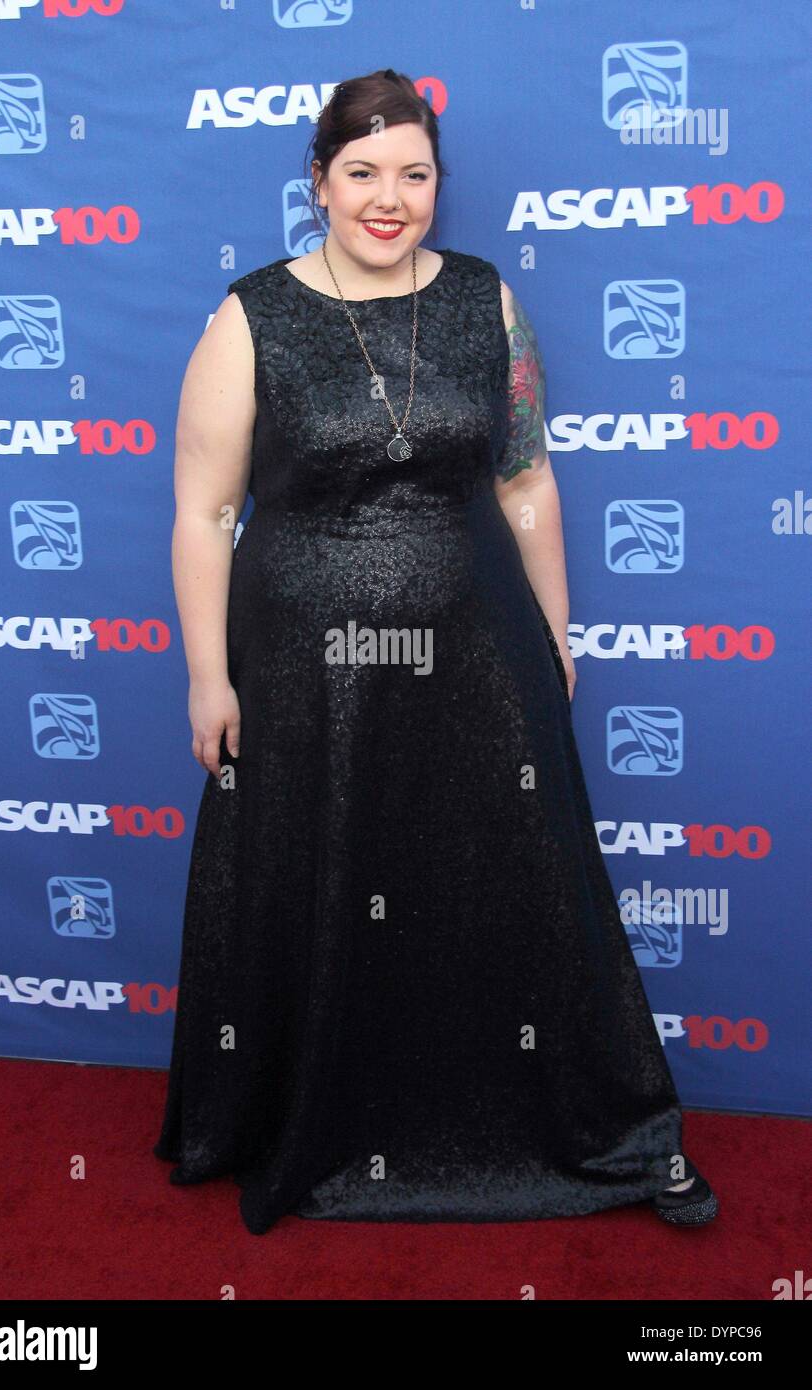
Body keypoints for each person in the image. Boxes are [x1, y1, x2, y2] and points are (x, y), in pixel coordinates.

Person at [153, 68, 718, 1235]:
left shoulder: (484, 301)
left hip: (474, 652)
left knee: (517, 889)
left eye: (411, 174)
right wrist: (208, 673)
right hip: (304, 672)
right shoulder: (250, 315)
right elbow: (205, 513)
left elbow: (525, 479)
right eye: (361, 172)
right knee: (324, 890)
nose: (387, 197)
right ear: (317, 182)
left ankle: (611, 1129)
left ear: (436, 188)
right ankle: (320, 1122)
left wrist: (550, 633)